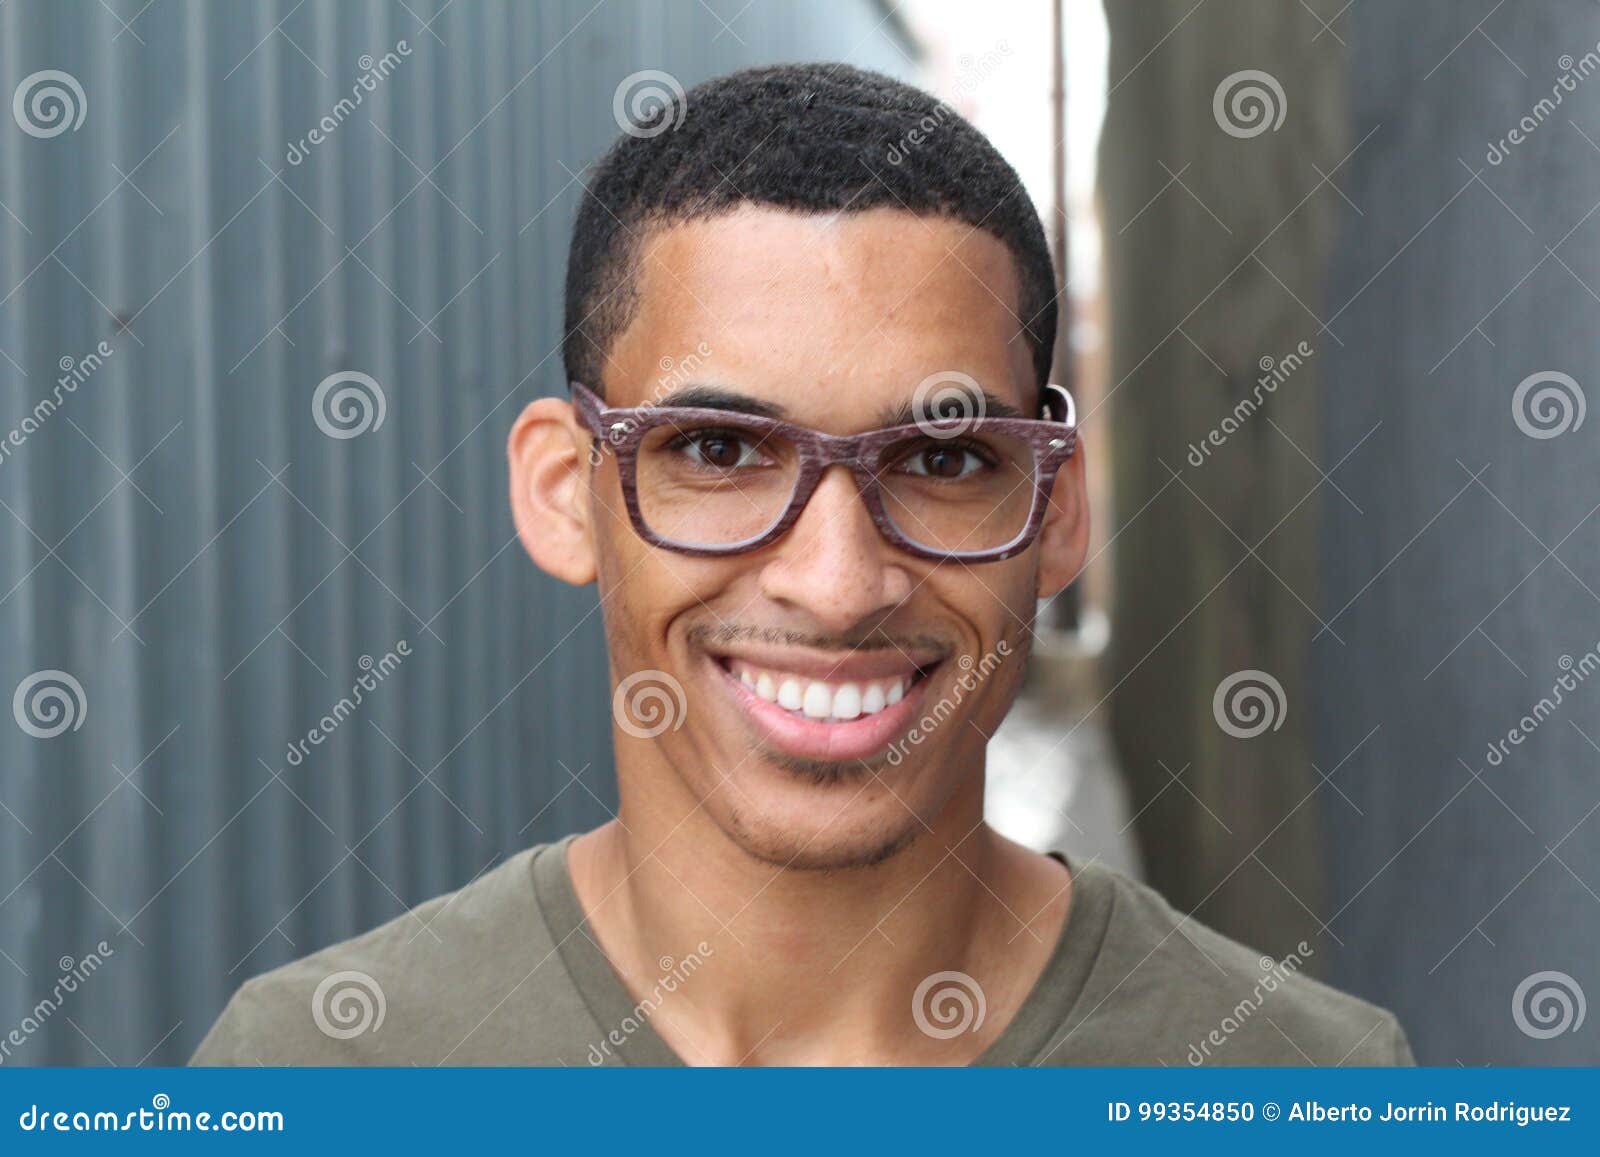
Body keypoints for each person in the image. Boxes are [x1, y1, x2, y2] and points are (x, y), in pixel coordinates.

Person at [192, 63, 1412, 1067]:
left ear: (1055, 511)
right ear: (566, 492)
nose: (835, 583)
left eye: (940, 460)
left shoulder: (1307, 1083)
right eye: (719, 449)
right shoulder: (315, 1070)